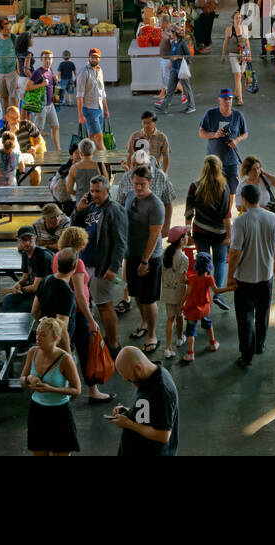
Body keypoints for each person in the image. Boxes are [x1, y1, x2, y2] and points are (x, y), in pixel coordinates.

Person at [220, 183, 275, 367]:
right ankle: (260, 344)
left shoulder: (241, 222)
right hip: (266, 276)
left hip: (244, 279)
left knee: (245, 317)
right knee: (263, 312)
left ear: (245, 200)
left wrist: (230, 277)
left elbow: (235, 253)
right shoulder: (272, 218)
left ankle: (246, 355)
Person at [51, 226, 114, 404]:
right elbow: (79, 294)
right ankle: (93, 390)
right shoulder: (76, 262)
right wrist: (91, 319)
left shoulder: (58, 256)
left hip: (63, 311)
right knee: (86, 350)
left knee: (65, 349)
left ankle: (66, 387)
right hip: (78, 312)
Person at [78, 176, 129, 351]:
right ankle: (98, 340)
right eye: (92, 191)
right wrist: (79, 210)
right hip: (85, 264)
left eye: (98, 191)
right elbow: (74, 228)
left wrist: (113, 268)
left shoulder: (115, 210)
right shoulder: (90, 206)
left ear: (107, 191)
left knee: (104, 305)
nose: (94, 194)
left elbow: (121, 242)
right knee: (88, 303)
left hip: (102, 267)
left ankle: (113, 344)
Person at [20, 316, 83, 455]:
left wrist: (51, 389)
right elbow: (22, 379)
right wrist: (30, 378)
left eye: (43, 335)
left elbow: (77, 390)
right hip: (37, 411)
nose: (38, 338)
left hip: (60, 413)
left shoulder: (65, 359)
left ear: (55, 338)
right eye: (37, 334)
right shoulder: (32, 352)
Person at [123, 166, 166, 355]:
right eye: (135, 184)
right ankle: (144, 323)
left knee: (148, 300)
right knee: (138, 296)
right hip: (132, 254)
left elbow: (154, 235)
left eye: (142, 184)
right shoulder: (130, 196)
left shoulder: (156, 205)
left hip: (149, 259)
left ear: (150, 183)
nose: (138, 188)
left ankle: (152, 335)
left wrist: (145, 261)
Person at [184, 156, 232, 311]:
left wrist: (188, 232)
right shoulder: (224, 187)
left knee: (203, 264)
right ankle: (218, 295)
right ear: (219, 168)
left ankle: (202, 295)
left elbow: (189, 212)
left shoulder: (195, 186)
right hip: (219, 233)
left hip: (200, 231)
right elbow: (226, 215)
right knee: (219, 262)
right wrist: (229, 236)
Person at [113, 346, 179, 456]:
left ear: (138, 368)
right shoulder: (146, 378)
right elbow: (152, 414)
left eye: (127, 376)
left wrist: (129, 423)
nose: (124, 379)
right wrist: (129, 412)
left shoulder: (162, 391)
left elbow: (163, 435)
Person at [199, 89, 248, 194]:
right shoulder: (210, 114)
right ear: (219, 100)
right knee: (213, 188)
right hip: (214, 160)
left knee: (232, 190)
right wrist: (214, 135)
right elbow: (201, 132)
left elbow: (245, 133)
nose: (228, 101)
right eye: (225, 99)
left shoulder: (238, 115)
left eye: (230, 99)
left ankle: (228, 211)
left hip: (231, 160)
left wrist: (237, 140)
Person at [1, 226, 55, 313]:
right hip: (34, 292)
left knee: (16, 308)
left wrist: (15, 290)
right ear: (18, 240)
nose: (27, 243)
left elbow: (36, 287)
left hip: (46, 294)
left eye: (30, 239)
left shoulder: (42, 256)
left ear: (35, 238)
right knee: (7, 300)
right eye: (23, 240)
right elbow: (25, 278)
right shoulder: (25, 254)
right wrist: (18, 284)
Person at [181, 251, 220, 362]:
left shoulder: (192, 279)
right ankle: (213, 343)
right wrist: (230, 288)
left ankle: (190, 353)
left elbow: (186, 293)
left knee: (190, 331)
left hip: (192, 310)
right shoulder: (209, 279)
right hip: (204, 310)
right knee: (208, 324)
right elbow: (216, 290)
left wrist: (181, 304)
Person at [160, 227, 190, 361]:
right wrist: (191, 281)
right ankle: (179, 338)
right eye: (187, 235)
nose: (188, 237)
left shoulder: (165, 253)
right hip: (179, 293)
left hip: (167, 292)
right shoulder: (183, 258)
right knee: (180, 315)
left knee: (170, 319)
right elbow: (183, 279)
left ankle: (167, 348)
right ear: (182, 240)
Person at [24, 50, 62, 152]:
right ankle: (34, 151)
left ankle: (58, 150)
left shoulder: (49, 70)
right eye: (45, 58)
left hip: (50, 105)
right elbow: (28, 87)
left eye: (50, 58)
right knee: (38, 131)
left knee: (56, 126)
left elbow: (50, 83)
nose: (48, 60)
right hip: (40, 106)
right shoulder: (37, 72)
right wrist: (42, 84)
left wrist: (55, 78)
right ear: (41, 60)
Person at [156, 23, 196, 115]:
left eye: (171, 32)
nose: (170, 34)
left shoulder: (182, 43)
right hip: (174, 68)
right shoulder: (173, 42)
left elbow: (189, 56)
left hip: (181, 68)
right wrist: (170, 61)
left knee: (186, 88)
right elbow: (172, 54)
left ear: (175, 33)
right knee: (170, 88)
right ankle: (164, 106)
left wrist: (178, 57)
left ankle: (191, 106)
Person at [74, 47, 111, 139]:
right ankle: (103, 154)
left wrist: (106, 110)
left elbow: (102, 92)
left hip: (100, 109)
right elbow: (79, 96)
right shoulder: (84, 73)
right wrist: (80, 116)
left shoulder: (100, 70)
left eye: (96, 57)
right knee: (99, 138)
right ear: (88, 57)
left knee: (92, 137)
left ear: (100, 58)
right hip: (89, 110)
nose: (94, 59)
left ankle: (91, 153)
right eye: (92, 57)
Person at [221, 10, 252, 106]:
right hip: (233, 54)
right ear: (233, 19)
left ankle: (236, 92)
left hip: (243, 55)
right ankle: (240, 99)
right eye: (236, 18)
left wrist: (249, 54)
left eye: (240, 18)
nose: (238, 19)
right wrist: (223, 54)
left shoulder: (245, 28)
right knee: (238, 75)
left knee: (240, 75)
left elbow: (247, 42)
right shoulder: (229, 29)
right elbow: (225, 42)